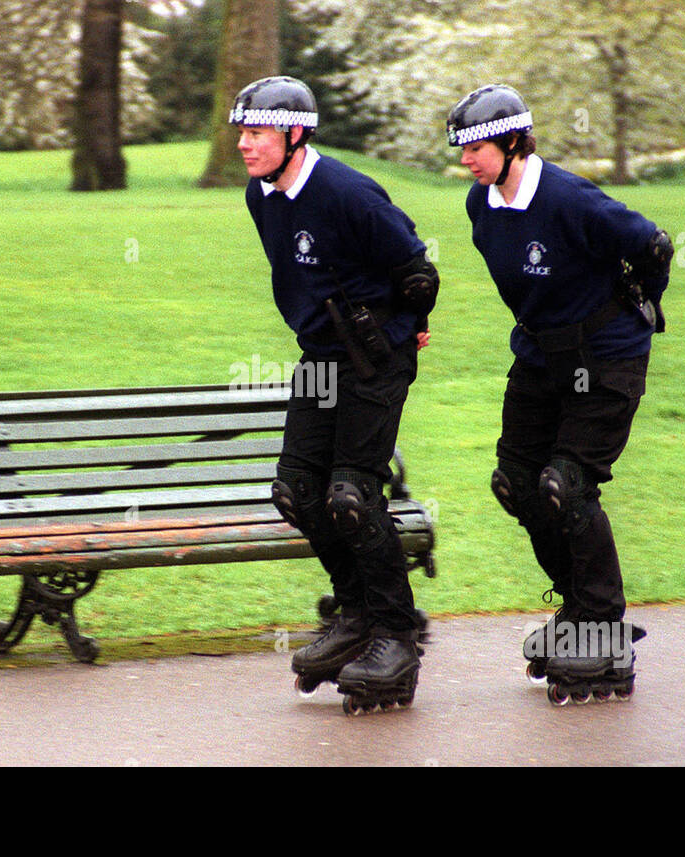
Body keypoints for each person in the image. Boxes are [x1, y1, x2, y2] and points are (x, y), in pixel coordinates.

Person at [446, 84, 672, 705]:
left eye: (476, 146)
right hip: (541, 358)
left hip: (606, 357)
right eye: (460, 147)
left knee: (566, 484)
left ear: (515, 141)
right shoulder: (480, 205)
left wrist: (644, 301)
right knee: (517, 483)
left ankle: (602, 625)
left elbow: (652, 245)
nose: (466, 158)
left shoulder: (570, 198)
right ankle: (579, 606)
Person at [231, 76, 439, 714]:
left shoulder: (349, 193)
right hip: (320, 359)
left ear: (295, 135)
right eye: (241, 131)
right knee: (295, 488)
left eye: (257, 132)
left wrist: (403, 332)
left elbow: (418, 273)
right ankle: (355, 615)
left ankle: (397, 635)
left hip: (373, 361)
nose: (245, 144)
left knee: (351, 496)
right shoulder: (261, 195)